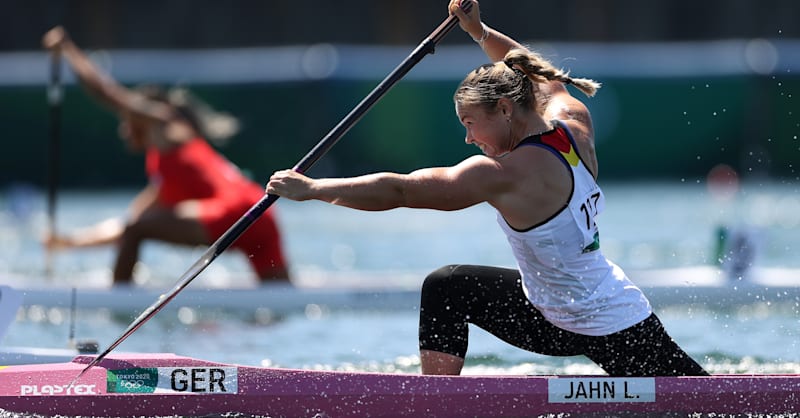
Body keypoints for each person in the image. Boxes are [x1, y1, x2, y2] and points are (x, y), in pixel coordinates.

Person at [266, 0, 709, 376]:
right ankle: (439, 402)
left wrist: (315, 188)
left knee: (706, 402)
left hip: (610, 324)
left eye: (470, 124)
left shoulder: (506, 173)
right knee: (448, 286)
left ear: (503, 109)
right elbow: (536, 72)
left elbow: (401, 191)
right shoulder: (573, 123)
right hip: (548, 313)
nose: (468, 138)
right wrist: (478, 31)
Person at [41, 26, 290, 285]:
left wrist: (68, 50)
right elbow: (126, 225)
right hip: (262, 211)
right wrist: (68, 242)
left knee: (138, 230)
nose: (123, 129)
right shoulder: (167, 172)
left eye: (127, 120)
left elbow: (108, 93)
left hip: (233, 212)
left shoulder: (166, 126)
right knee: (282, 293)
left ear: (140, 119)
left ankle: (119, 301)